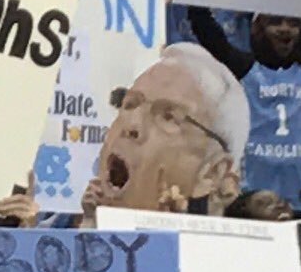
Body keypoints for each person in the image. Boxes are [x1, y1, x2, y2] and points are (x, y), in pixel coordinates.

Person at [90, 44, 251, 216]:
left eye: (168, 116)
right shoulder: (60, 228)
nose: (131, 125)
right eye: (130, 104)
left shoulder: (211, 243)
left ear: (212, 173)